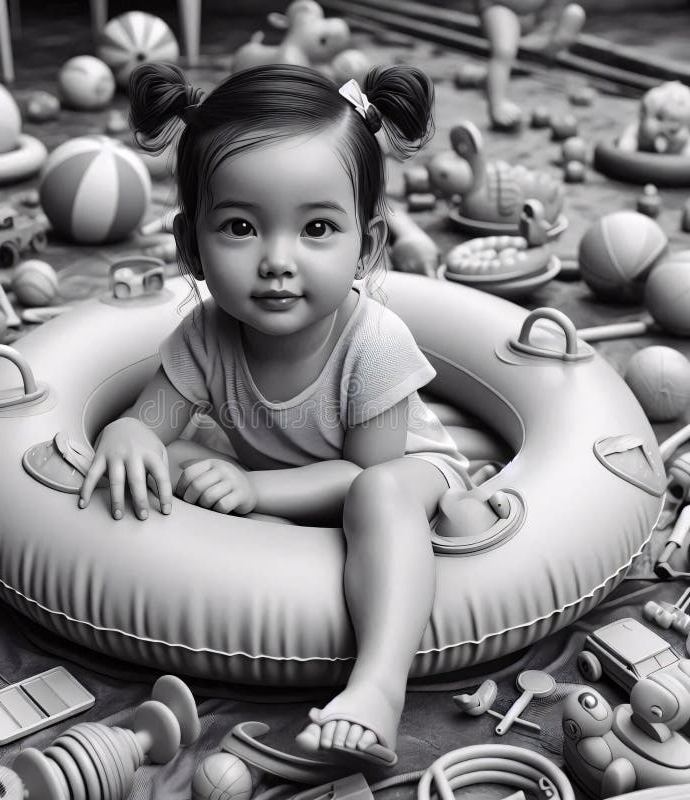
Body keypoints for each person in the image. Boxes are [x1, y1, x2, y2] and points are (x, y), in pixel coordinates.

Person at [78, 61, 471, 765]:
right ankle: (264, 537)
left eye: (317, 227)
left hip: (398, 476)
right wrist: (127, 430)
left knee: (383, 495)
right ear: (189, 247)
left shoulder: (373, 343)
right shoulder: (204, 336)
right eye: (240, 227)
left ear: (368, 245)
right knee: (167, 459)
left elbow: (364, 475)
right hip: (277, 480)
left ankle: (379, 686)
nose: (278, 261)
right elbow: (152, 421)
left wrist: (257, 489)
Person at [476, 0, 585, 129]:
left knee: (574, 13)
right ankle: (497, 103)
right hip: (503, 9)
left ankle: (535, 53)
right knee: (504, 52)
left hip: (537, 16)